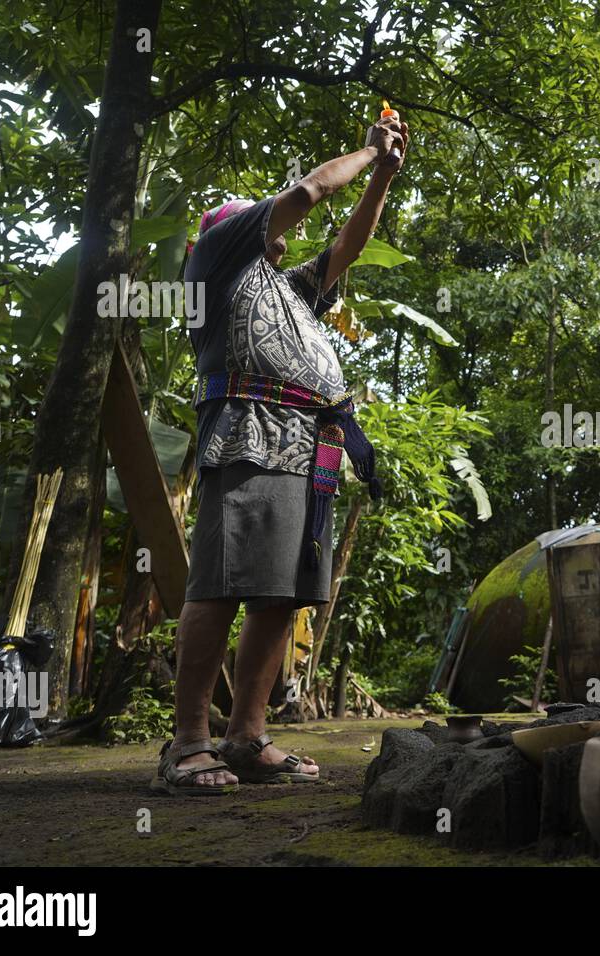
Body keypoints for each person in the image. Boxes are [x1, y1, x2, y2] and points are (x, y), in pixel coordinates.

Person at [151, 112, 410, 795]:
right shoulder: (217, 260)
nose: (280, 231)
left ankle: (246, 737)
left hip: (310, 446)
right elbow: (309, 193)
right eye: (264, 223)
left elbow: (347, 246)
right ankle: (186, 745)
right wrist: (369, 147)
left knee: (278, 597)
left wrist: (383, 175)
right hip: (245, 430)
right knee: (220, 583)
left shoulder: (290, 290)